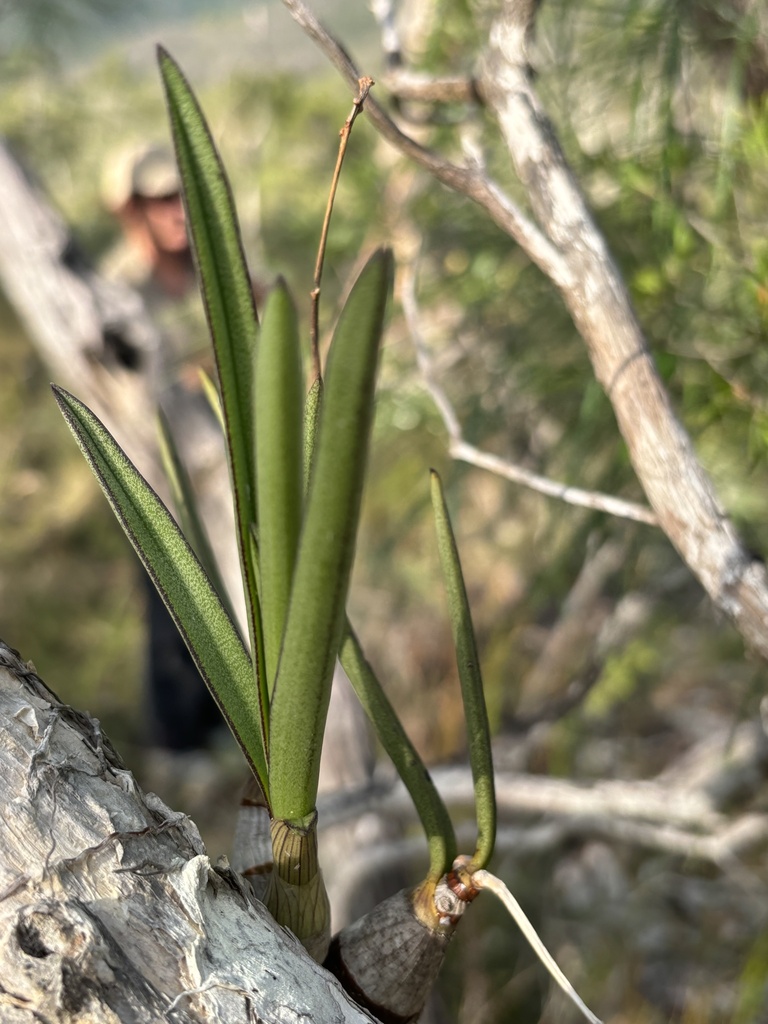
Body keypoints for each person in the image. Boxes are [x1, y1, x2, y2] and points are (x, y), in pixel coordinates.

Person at [101, 143, 245, 757]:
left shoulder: (209, 269)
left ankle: (227, 730)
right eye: (161, 198)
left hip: (224, 473)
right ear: (133, 210)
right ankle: (178, 746)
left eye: (182, 195)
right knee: (171, 611)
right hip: (156, 476)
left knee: (233, 599)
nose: (178, 210)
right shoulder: (120, 288)